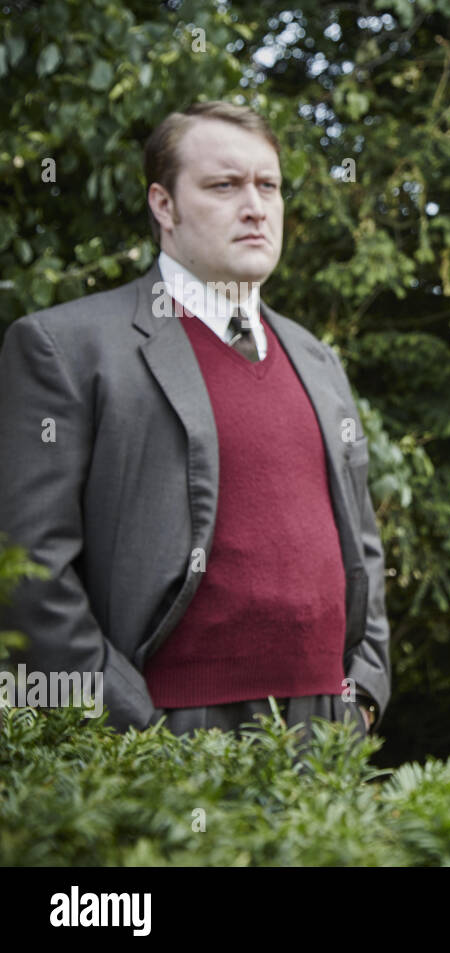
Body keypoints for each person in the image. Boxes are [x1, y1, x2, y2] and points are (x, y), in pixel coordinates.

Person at [0, 102, 391, 739]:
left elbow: (363, 546)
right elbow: (28, 568)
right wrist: (132, 728)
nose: (255, 206)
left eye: (268, 185)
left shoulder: (317, 360)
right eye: (223, 185)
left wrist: (365, 691)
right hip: (168, 727)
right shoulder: (67, 348)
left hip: (325, 732)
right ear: (164, 204)